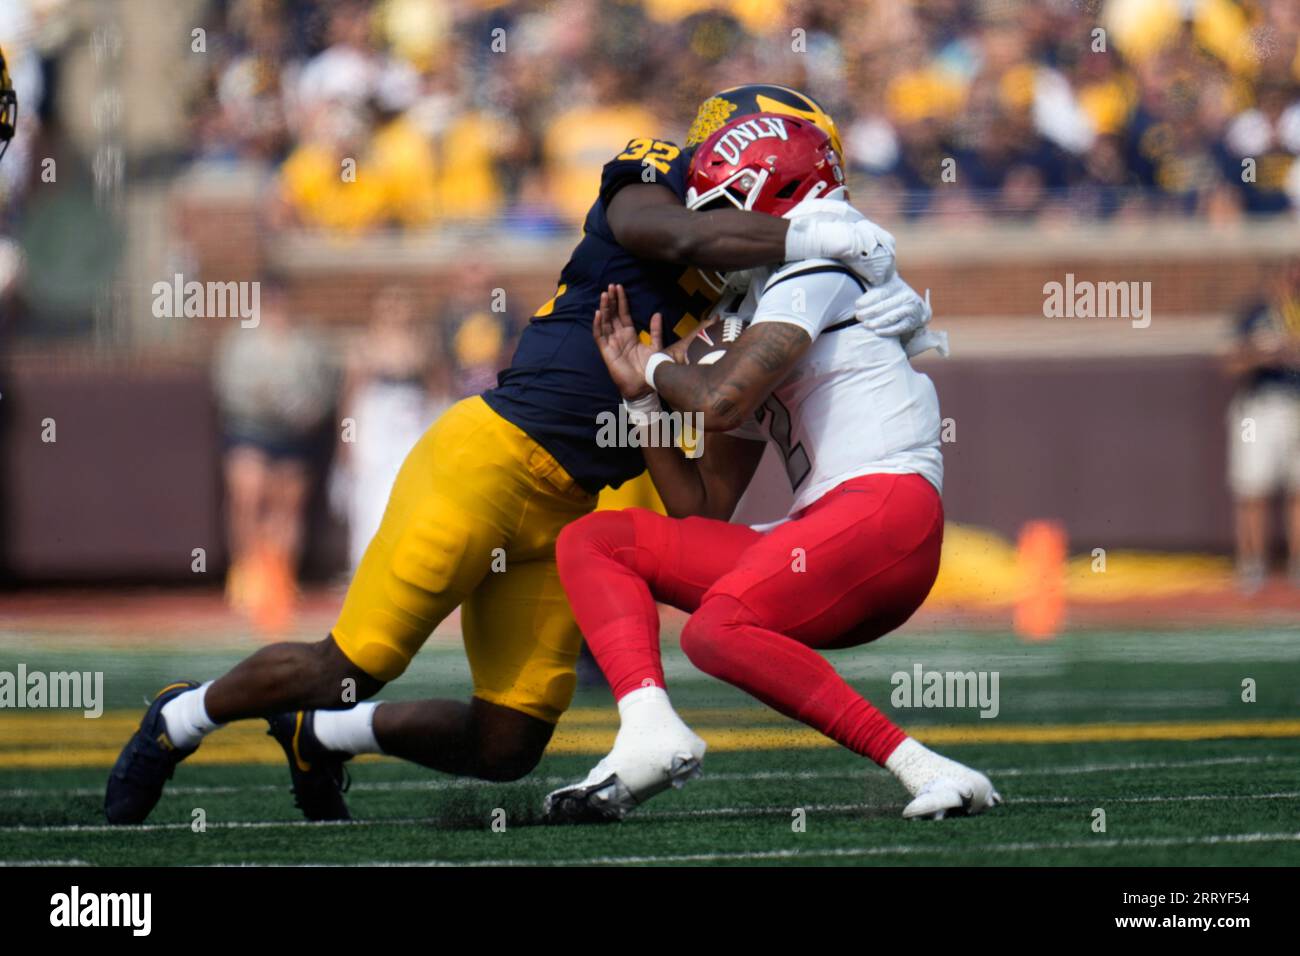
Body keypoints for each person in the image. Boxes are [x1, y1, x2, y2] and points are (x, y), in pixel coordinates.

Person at [105, 85, 929, 825]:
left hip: (576, 501)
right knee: (352, 663)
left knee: (508, 744)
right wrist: (817, 234)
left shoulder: (760, 287)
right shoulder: (660, 185)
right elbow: (675, 234)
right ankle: (180, 719)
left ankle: (320, 738)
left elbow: (702, 501)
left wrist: (668, 382)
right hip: (491, 458)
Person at [545, 114, 999, 822]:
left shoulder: (818, 267)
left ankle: (924, 766)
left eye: (726, 205)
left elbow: (721, 402)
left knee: (713, 632)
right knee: (596, 541)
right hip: (827, 529)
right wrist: (639, 398)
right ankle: (646, 729)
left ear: (781, 190)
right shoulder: (758, 307)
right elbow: (699, 510)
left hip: (886, 514)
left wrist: (659, 366)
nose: (718, 231)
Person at [213, 279, 337, 633]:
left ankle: (280, 574)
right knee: (247, 495)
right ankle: (246, 573)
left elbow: (324, 387)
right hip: (250, 429)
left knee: (288, 504)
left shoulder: (307, 341)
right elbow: (227, 387)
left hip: (293, 435)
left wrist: (309, 410)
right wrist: (263, 397)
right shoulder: (240, 341)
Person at [1225, 260, 1300, 593]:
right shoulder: (1254, 314)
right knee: (1252, 488)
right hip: (1259, 408)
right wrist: (1262, 354)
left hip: (1295, 405)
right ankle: (1252, 564)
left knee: (1298, 490)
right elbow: (1231, 362)